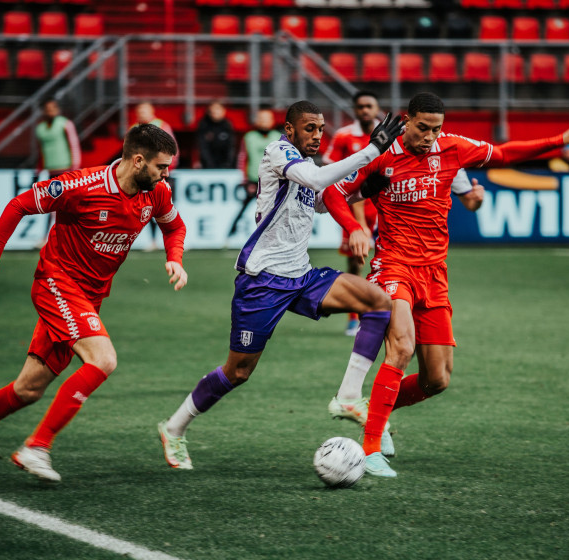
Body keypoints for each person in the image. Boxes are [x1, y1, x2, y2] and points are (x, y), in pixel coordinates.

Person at [322, 92, 569, 477]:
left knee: (437, 379)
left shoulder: (452, 148)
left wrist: (561, 139)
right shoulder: (382, 155)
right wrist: (354, 227)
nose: (429, 136)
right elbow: (333, 191)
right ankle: (370, 450)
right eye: (422, 128)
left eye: (435, 129)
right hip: (393, 266)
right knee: (401, 348)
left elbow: (504, 154)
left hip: (435, 274)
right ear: (407, 120)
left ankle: (375, 409)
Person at [0, 124, 187, 482]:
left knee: (28, 390)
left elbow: (174, 227)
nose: (166, 174)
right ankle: (38, 446)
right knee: (103, 359)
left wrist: (175, 258)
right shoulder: (81, 185)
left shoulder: (156, 193)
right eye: (161, 166)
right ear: (138, 161)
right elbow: (18, 205)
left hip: (89, 298)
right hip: (56, 283)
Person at [156, 100, 404, 470]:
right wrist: (372, 150)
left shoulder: (306, 165)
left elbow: (321, 202)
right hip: (263, 281)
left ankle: (350, 396)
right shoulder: (279, 151)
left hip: (301, 276)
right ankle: (174, 428)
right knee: (238, 372)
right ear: (289, 129)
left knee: (378, 302)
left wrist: (363, 189)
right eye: (309, 128)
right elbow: (318, 181)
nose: (317, 136)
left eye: (320, 129)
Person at [323, 91, 382, 336]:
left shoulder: (388, 135)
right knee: (355, 263)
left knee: (386, 262)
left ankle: (382, 314)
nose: (365, 110)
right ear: (355, 110)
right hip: (353, 206)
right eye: (360, 106)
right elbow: (330, 168)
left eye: (369, 106)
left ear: (376, 108)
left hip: (382, 208)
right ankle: (354, 317)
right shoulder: (344, 135)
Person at [227, 108, 280, 244]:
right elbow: (242, 158)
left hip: (272, 181)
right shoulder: (249, 137)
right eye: (261, 119)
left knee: (275, 210)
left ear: (272, 121)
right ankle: (230, 236)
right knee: (244, 209)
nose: (264, 122)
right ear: (257, 121)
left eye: (267, 119)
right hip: (253, 180)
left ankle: (274, 238)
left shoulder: (278, 137)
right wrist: (245, 180)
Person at [35, 98, 82, 244]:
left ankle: (75, 236)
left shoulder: (65, 124)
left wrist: (75, 169)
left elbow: (74, 145)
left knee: (68, 205)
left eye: (53, 108)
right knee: (53, 205)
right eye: (48, 108)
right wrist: (39, 168)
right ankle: (51, 237)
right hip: (51, 172)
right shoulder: (40, 129)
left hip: (66, 170)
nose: (51, 111)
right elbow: (41, 151)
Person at [135, 101, 180, 250]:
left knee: (168, 208)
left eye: (144, 110)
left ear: (151, 111)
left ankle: (175, 240)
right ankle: (153, 240)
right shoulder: (134, 129)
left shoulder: (161, 126)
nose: (142, 114)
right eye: (140, 111)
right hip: (144, 175)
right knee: (148, 208)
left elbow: (173, 149)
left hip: (161, 175)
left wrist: (167, 169)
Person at [197, 100, 237, 169]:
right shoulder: (204, 125)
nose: (215, 111)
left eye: (217, 109)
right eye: (212, 109)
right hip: (208, 166)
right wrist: (209, 165)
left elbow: (231, 147)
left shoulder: (227, 125)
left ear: (223, 111)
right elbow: (203, 148)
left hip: (226, 166)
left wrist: (228, 164)